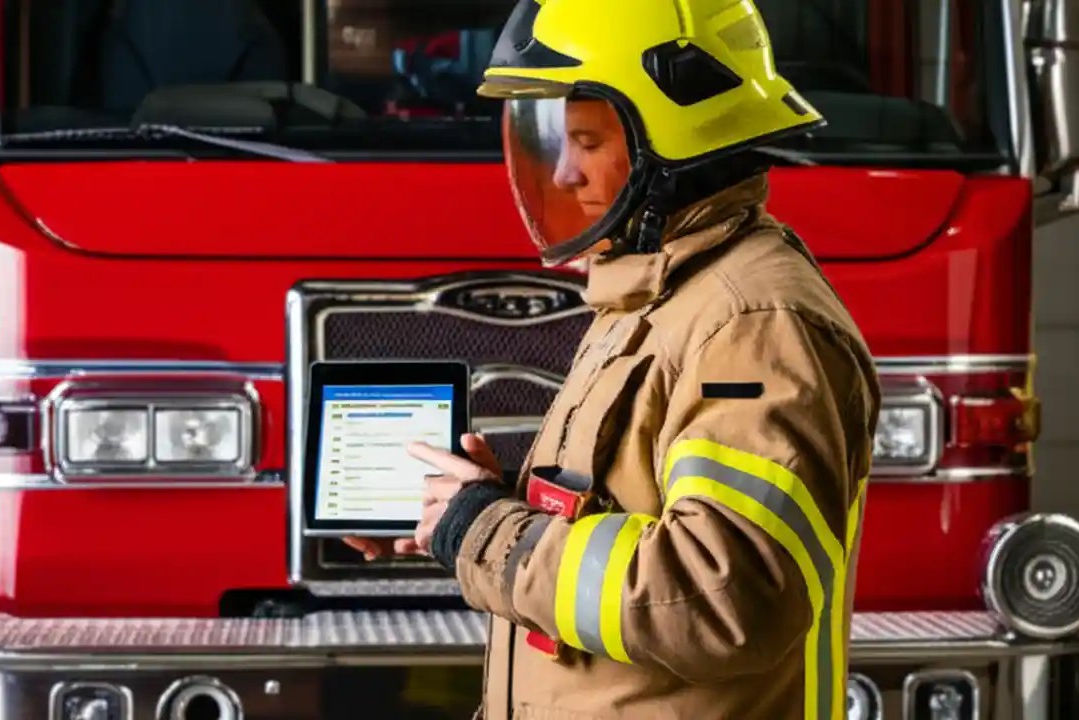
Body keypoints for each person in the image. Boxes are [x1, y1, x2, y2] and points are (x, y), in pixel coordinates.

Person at [345, 0, 880, 717]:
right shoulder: (655, 294)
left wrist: (490, 532)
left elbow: (722, 594)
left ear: (677, 141)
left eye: (588, 141)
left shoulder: (752, 322)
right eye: (556, 141)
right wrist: (473, 512)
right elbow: (625, 526)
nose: (562, 172)